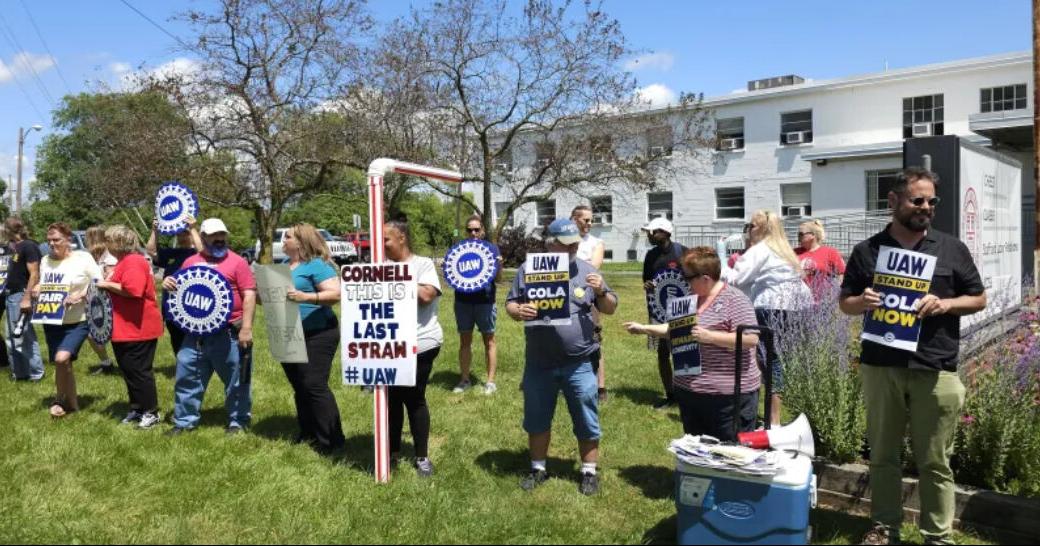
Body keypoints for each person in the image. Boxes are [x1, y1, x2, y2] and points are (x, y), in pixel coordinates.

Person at [839, 167, 986, 546]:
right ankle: (885, 527)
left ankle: (937, 536)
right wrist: (862, 301)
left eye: (932, 201)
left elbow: (979, 298)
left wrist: (947, 303)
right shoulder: (867, 251)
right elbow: (845, 303)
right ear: (893, 202)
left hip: (935, 367)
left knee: (936, 460)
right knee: (883, 455)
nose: (926, 207)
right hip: (881, 365)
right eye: (917, 199)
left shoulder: (951, 248)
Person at [507, 218, 618, 496]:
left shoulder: (587, 271)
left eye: (575, 244)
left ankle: (589, 471)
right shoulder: (528, 270)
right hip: (539, 362)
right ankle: (538, 468)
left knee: (585, 415)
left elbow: (611, 307)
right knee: (536, 417)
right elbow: (510, 303)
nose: (572, 249)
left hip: (578, 360)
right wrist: (518, 311)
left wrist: (602, 290)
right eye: (566, 244)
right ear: (550, 244)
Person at [623, 247, 760, 441]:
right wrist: (644, 328)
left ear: (705, 278)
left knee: (727, 451)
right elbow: (676, 331)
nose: (683, 281)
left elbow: (750, 339)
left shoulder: (735, 300)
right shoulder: (688, 301)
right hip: (690, 391)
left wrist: (710, 336)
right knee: (697, 449)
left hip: (726, 395)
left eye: (687, 277)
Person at [164, 218, 257, 435]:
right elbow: (181, 292)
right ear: (203, 237)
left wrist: (246, 328)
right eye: (214, 235)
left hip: (230, 333)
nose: (219, 239)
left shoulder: (237, 262)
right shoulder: (190, 262)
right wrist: (170, 284)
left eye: (222, 235)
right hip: (195, 334)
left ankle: (238, 421)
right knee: (187, 377)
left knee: (237, 381)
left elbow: (249, 294)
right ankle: (185, 421)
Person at [718, 209, 811, 427]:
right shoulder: (784, 250)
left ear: (762, 229)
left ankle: (773, 420)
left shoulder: (760, 249)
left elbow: (736, 279)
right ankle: (775, 416)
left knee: (768, 362)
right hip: (797, 307)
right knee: (780, 362)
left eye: (751, 226)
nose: (748, 231)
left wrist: (721, 257)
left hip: (771, 307)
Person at [384, 220, 443, 477]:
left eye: (386, 239)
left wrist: (395, 278)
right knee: (392, 399)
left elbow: (427, 295)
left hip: (422, 343)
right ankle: (392, 453)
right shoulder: (380, 266)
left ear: (401, 239)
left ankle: (421, 457)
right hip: (389, 345)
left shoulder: (422, 265)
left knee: (414, 397)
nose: (381, 244)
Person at [280, 223, 346, 453]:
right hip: (288, 332)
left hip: (319, 332)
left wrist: (305, 296)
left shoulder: (317, 265)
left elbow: (335, 294)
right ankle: (308, 432)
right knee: (299, 385)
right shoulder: (282, 265)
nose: (283, 239)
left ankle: (332, 439)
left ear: (300, 242)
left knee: (314, 384)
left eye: (287, 236)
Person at [97, 225, 164, 429]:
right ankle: (137, 408)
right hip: (125, 327)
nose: (106, 245)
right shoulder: (123, 262)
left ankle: (151, 412)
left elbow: (133, 291)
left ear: (117, 243)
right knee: (129, 370)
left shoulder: (133, 261)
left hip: (139, 328)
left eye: (108, 240)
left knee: (139, 371)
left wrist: (106, 284)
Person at [34, 223, 102, 417]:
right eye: (49, 240)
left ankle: (61, 400)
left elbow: (98, 282)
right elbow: (45, 282)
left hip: (79, 319)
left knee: (61, 358)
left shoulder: (83, 258)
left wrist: (80, 296)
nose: (51, 244)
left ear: (68, 240)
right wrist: (38, 287)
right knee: (62, 364)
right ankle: (69, 403)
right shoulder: (46, 260)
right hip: (52, 319)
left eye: (56, 240)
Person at [451, 215, 502, 395]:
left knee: (489, 340)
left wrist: (500, 266)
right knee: (465, 341)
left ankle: (490, 382)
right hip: (463, 301)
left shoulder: (492, 249)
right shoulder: (459, 249)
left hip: (485, 301)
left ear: (483, 231)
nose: (473, 233)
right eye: (469, 229)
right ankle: (464, 379)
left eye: (476, 229)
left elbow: (499, 279)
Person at [641, 217, 686, 409]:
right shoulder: (650, 256)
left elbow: (692, 277)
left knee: (684, 350)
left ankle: (687, 393)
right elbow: (646, 281)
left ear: (665, 232)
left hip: (682, 308)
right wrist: (648, 285)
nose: (649, 235)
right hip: (658, 309)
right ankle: (670, 394)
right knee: (662, 352)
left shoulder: (682, 252)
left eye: (653, 232)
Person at [146, 216, 202, 356]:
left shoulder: (198, 253)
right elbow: (151, 252)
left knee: (195, 342)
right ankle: (182, 366)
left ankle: (197, 367)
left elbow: (203, 253)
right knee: (177, 341)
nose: (182, 237)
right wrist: (155, 231)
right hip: (171, 307)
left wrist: (193, 229)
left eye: (185, 233)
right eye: (179, 233)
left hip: (192, 305)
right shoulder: (172, 252)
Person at [572, 205, 609, 403]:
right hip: (567, 298)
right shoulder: (565, 241)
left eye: (590, 220)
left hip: (589, 297)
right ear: (574, 219)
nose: (589, 224)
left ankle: (600, 386)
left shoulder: (596, 242)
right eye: (586, 220)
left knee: (594, 339)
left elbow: (592, 267)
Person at [4, 217, 43, 382]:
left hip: (21, 295)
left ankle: (36, 372)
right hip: (10, 295)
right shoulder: (15, 247)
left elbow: (34, 273)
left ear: (9, 230)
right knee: (11, 336)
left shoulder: (28, 245)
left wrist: (26, 298)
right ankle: (19, 373)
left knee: (23, 334)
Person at [84, 226, 118, 375]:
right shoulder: (92, 257)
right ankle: (106, 362)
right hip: (95, 299)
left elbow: (111, 277)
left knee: (112, 333)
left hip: (109, 300)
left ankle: (115, 363)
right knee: (91, 333)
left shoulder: (109, 257)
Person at [795, 219, 846, 300]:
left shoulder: (830, 252)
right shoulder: (793, 252)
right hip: (798, 300)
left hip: (823, 301)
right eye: (798, 234)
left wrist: (835, 293)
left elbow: (842, 274)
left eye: (801, 234)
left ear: (813, 235)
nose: (798, 237)